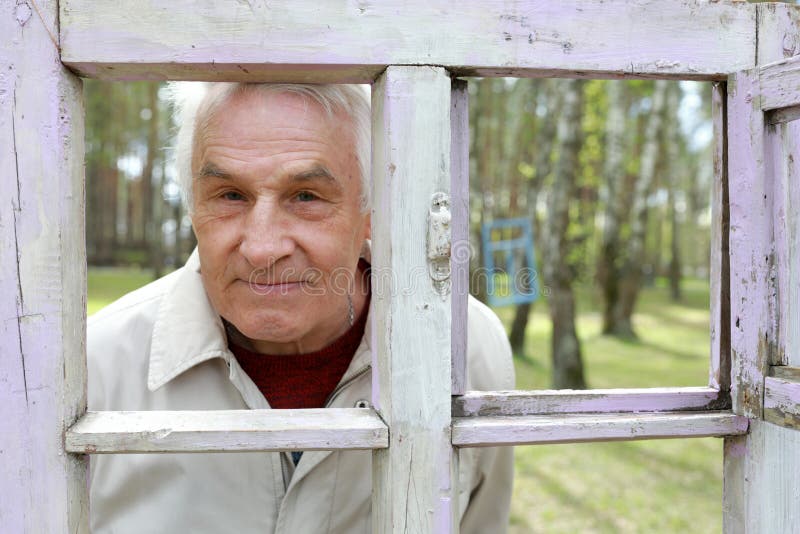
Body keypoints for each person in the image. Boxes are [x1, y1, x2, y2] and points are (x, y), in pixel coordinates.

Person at [88, 82, 515, 533]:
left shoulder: (465, 347)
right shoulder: (95, 368)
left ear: (374, 209)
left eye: (306, 196)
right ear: (194, 207)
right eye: (230, 195)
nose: (262, 248)